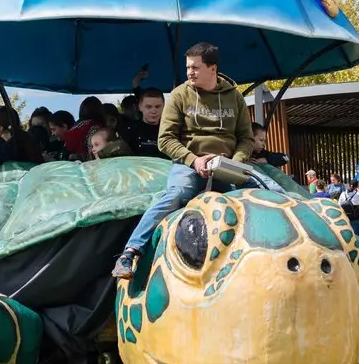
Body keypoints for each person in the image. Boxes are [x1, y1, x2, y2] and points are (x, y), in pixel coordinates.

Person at [112, 42, 279, 279]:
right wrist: (194, 160)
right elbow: (165, 140)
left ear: (213, 69)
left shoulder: (234, 97)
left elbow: (246, 138)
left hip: (227, 163)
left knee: (269, 191)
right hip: (188, 163)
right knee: (177, 194)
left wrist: (237, 161)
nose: (190, 72)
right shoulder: (180, 95)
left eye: (195, 68)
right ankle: (130, 252)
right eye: (188, 67)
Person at [121, 88, 166, 158]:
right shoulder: (129, 130)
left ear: (164, 107)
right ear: (140, 107)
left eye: (157, 107)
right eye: (148, 107)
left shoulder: (170, 131)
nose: (153, 111)